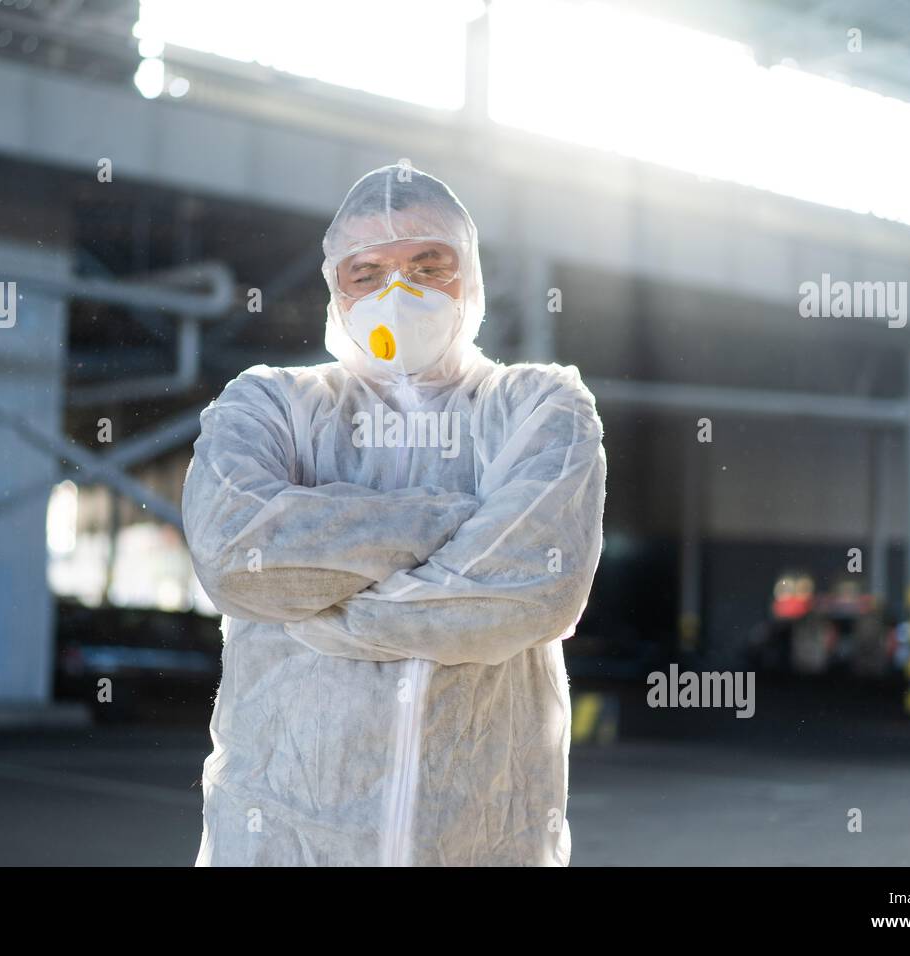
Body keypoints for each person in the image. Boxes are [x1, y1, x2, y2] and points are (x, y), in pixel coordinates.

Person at [181, 163, 607, 866]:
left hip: (480, 841)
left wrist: (319, 610)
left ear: (468, 278)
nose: (398, 292)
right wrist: (447, 521)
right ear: (336, 290)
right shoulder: (270, 406)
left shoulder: (539, 406)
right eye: (367, 271)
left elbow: (529, 588)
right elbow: (235, 555)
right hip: (282, 841)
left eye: (427, 264)